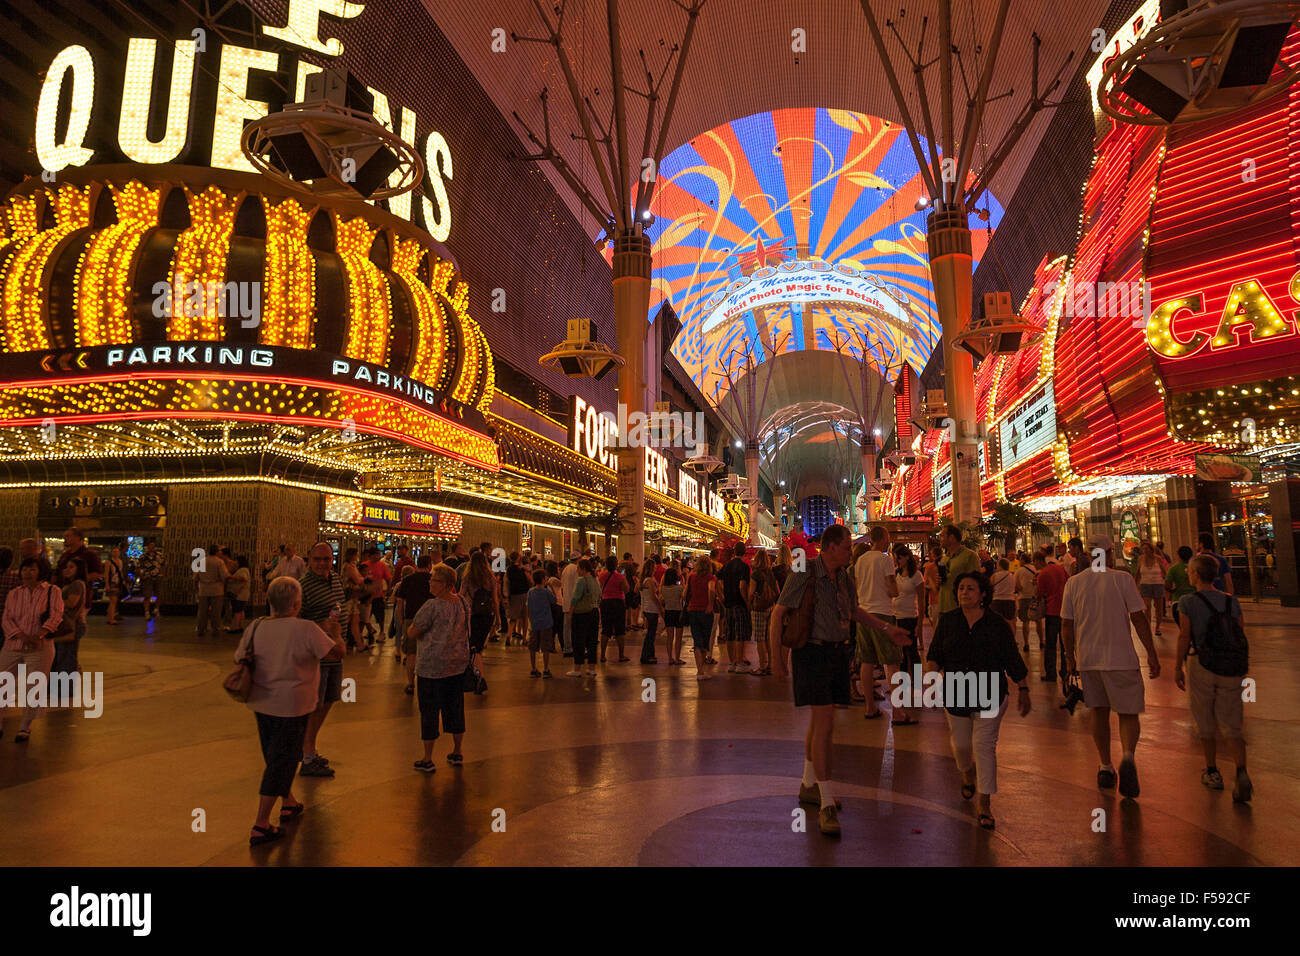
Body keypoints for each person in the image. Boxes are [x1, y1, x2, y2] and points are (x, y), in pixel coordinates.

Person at [770, 524, 909, 836]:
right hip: (812, 654)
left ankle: (809, 784)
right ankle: (827, 803)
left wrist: (889, 629)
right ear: (830, 547)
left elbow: (855, 611)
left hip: (836, 654)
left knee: (819, 724)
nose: (851, 551)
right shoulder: (805, 570)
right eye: (847, 547)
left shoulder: (844, 577)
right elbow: (778, 614)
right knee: (826, 725)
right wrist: (777, 661)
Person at [236, 576, 344, 846]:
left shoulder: (256, 626)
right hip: (293, 705)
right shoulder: (306, 629)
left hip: (261, 702)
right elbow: (336, 654)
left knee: (276, 755)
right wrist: (336, 632)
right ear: (297, 603)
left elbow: (239, 657)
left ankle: (289, 802)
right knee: (281, 762)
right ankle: (261, 824)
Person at [925, 571, 1031, 830]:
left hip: (990, 696)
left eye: (970, 589)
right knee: (961, 745)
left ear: (983, 594)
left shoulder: (996, 625)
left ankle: (985, 803)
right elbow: (934, 654)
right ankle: (966, 772)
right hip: (957, 694)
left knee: (983, 747)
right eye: (961, 588)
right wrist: (930, 677)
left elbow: (1012, 658)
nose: (964, 593)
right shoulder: (948, 621)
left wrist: (1024, 688)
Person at [1061, 533, 1160, 799]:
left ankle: (1105, 766)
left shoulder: (1073, 583)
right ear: (1110, 552)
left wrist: (1071, 659)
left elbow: (1066, 626)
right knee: (1128, 713)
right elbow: (1139, 618)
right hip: (1122, 659)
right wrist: (1151, 653)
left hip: (1089, 660)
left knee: (1099, 712)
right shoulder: (1123, 579)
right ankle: (1127, 755)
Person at [1174, 554, 1252, 802]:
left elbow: (1185, 636)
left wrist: (1178, 665)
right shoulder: (1232, 601)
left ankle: (1212, 771)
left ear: (1195, 574)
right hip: (1231, 666)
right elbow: (1239, 632)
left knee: (1205, 719)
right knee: (1232, 724)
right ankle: (1241, 771)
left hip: (1202, 664)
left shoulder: (1187, 601)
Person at [408, 563, 473, 771]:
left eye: (434, 579)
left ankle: (427, 758)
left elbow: (413, 631)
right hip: (457, 665)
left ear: (444, 584)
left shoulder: (432, 606)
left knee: (429, 711)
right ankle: (457, 751)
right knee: (455, 709)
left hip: (431, 667)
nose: (430, 582)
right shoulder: (463, 602)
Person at [0, 557, 65, 742]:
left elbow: (56, 615)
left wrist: (39, 635)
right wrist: (22, 636)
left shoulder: (52, 591)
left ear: (41, 571)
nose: (27, 573)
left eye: (32, 569)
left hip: (40, 647)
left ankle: (25, 726)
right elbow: (6, 618)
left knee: (33, 687)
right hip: (13, 645)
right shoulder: (14, 593)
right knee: (2, 683)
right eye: (24, 569)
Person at [298, 543, 345, 778]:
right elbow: (295, 623)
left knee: (328, 701)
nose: (322, 564)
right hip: (316, 657)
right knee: (314, 706)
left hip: (335, 653)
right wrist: (320, 628)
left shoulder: (335, 580)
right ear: (309, 559)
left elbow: (341, 607)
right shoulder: (303, 586)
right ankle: (307, 755)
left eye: (326, 559)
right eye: (317, 559)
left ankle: (310, 748)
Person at [855, 526, 909, 724]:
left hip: (864, 613)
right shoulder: (885, 559)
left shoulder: (860, 559)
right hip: (883, 614)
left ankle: (870, 707)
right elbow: (892, 587)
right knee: (892, 662)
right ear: (883, 538)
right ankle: (898, 712)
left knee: (867, 662)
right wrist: (896, 590)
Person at [396, 556, 435, 692]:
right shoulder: (433, 580)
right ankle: (428, 683)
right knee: (429, 651)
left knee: (411, 653)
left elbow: (400, 602)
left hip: (411, 618)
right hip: (431, 620)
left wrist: (402, 620)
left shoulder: (407, 580)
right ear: (429, 565)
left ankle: (410, 683)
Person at [1034, 551, 1068, 681]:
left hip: (1052, 611)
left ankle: (1051, 673)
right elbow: (1069, 579)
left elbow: (1040, 593)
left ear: (1038, 560)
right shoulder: (1059, 568)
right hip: (1065, 609)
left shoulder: (1042, 574)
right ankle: (1065, 670)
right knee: (1065, 643)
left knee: (1051, 644)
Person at [684, 555, 719, 680]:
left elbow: (685, 593)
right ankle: (701, 670)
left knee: (697, 639)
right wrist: (710, 604)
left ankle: (699, 671)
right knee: (705, 640)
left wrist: (688, 602)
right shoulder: (711, 577)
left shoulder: (691, 576)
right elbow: (711, 590)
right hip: (705, 611)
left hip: (693, 610)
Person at [719, 542, 752, 673]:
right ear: (744, 552)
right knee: (740, 634)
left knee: (730, 634)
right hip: (739, 604)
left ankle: (731, 662)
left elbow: (717, 581)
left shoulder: (726, 566)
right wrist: (747, 601)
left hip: (728, 604)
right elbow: (742, 586)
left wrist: (721, 596)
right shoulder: (744, 567)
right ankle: (739, 663)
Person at [892, 543, 924, 676]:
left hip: (909, 616)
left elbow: (922, 600)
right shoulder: (896, 573)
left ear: (906, 557)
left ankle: (916, 677)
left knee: (911, 649)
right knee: (901, 650)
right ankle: (904, 677)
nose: (896, 561)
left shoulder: (916, 575)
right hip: (896, 615)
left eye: (898, 558)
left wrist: (919, 623)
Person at [567, 559, 600, 677]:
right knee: (592, 641)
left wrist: (570, 613)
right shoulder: (595, 580)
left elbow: (575, 598)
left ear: (583, 569)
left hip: (581, 614)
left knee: (578, 640)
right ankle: (592, 668)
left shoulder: (581, 581)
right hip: (594, 612)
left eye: (578, 568)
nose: (577, 570)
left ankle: (577, 669)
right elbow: (600, 595)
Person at [748, 550, 779, 676]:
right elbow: (777, 591)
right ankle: (771, 665)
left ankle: (762, 666)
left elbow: (751, 592)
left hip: (759, 609)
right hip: (771, 607)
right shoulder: (770, 573)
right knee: (768, 638)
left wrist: (749, 602)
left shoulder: (755, 574)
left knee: (760, 638)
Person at [463, 551, 498, 655]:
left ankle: (473, 663)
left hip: (471, 612)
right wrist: (498, 617)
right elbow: (495, 599)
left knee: (472, 640)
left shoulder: (468, 577)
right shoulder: (491, 577)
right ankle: (478, 662)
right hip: (486, 612)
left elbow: (462, 593)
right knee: (481, 642)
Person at [938, 525, 978, 614]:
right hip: (943, 606)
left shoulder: (969, 556)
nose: (940, 539)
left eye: (942, 536)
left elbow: (975, 581)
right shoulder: (944, 558)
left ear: (952, 538)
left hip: (961, 608)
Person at [597, 555, 629, 663]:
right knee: (620, 630)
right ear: (616, 565)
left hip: (605, 602)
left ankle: (602, 655)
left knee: (606, 629)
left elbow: (599, 588)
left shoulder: (601, 575)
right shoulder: (620, 576)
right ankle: (621, 655)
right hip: (618, 602)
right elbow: (626, 589)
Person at [525, 569, 556, 677]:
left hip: (534, 623)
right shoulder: (546, 592)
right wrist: (551, 587)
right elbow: (554, 600)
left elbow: (527, 607)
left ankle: (533, 668)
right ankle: (546, 669)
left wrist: (529, 619)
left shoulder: (530, 592)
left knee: (532, 647)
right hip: (546, 623)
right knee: (545, 647)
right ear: (543, 580)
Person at [194, 544, 229, 638]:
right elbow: (224, 576)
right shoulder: (219, 562)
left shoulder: (201, 561)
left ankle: (201, 629)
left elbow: (196, 576)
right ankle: (215, 629)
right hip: (216, 589)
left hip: (203, 589)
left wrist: (197, 588)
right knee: (216, 612)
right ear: (217, 552)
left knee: (202, 611)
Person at [1136, 542, 1167, 636]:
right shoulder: (1140, 559)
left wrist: (1167, 582)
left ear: (1151, 549)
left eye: (1146, 549)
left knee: (1158, 608)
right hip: (1145, 585)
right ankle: (1148, 626)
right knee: (1147, 606)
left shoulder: (1158, 559)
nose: (1145, 551)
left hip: (1158, 584)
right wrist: (1135, 584)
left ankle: (1157, 627)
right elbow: (1138, 572)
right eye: (1143, 549)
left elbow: (1165, 571)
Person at [1012, 554, 1040, 651]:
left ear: (1023, 560)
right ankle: (1041, 641)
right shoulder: (1035, 568)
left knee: (1025, 621)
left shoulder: (1019, 571)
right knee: (1038, 620)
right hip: (1035, 596)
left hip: (1023, 597)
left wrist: (1020, 590)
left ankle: (1026, 643)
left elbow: (1017, 585)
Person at [1165, 545, 1196, 629]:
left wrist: (1171, 591)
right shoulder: (1196, 567)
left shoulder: (1173, 569)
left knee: (1183, 629)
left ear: (1178, 555)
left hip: (1178, 601)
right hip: (1196, 600)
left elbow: (1167, 585)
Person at [638, 557, 661, 665]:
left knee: (651, 633)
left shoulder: (643, 580)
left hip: (646, 607)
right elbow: (653, 596)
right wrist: (660, 607)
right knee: (651, 634)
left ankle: (650, 654)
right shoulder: (650, 581)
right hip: (652, 608)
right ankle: (646, 656)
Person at [661, 567, 686, 665]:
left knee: (669, 637)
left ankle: (669, 658)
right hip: (678, 612)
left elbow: (661, 599)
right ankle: (677, 658)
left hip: (668, 612)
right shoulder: (679, 588)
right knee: (678, 637)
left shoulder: (663, 589)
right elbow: (683, 598)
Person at [137, 539, 162, 620]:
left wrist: (162, 574)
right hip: (147, 577)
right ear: (147, 546)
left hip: (157, 576)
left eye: (153, 545)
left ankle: (156, 609)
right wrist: (141, 576)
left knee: (159, 594)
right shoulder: (143, 557)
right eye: (150, 545)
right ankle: (147, 612)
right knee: (147, 595)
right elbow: (138, 566)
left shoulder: (159, 555)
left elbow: (163, 564)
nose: (152, 547)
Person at [559, 554, 579, 657]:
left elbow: (562, 586)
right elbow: (578, 586)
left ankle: (567, 648)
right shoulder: (576, 569)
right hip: (575, 604)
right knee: (575, 627)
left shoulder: (565, 569)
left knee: (566, 627)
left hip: (566, 601)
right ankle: (575, 648)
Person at [226, 556, 252, 633]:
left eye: (236, 561)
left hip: (240, 595)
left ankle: (235, 628)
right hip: (244, 595)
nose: (235, 563)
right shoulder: (245, 569)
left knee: (237, 611)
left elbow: (243, 579)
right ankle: (240, 626)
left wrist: (232, 578)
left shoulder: (242, 570)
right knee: (240, 611)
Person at [103, 545, 126, 625]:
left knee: (113, 602)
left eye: (117, 552)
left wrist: (123, 581)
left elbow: (121, 572)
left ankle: (109, 618)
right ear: (111, 553)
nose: (116, 553)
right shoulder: (108, 562)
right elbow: (106, 574)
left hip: (118, 583)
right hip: (112, 582)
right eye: (114, 552)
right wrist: (107, 585)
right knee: (113, 601)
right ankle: (111, 619)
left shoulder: (120, 561)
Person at [990, 558, 1016, 627]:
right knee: (1010, 622)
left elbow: (990, 587)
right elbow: (1017, 587)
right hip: (1010, 600)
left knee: (996, 623)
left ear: (1000, 566)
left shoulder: (995, 576)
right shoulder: (1012, 576)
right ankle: (1011, 636)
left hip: (997, 600)